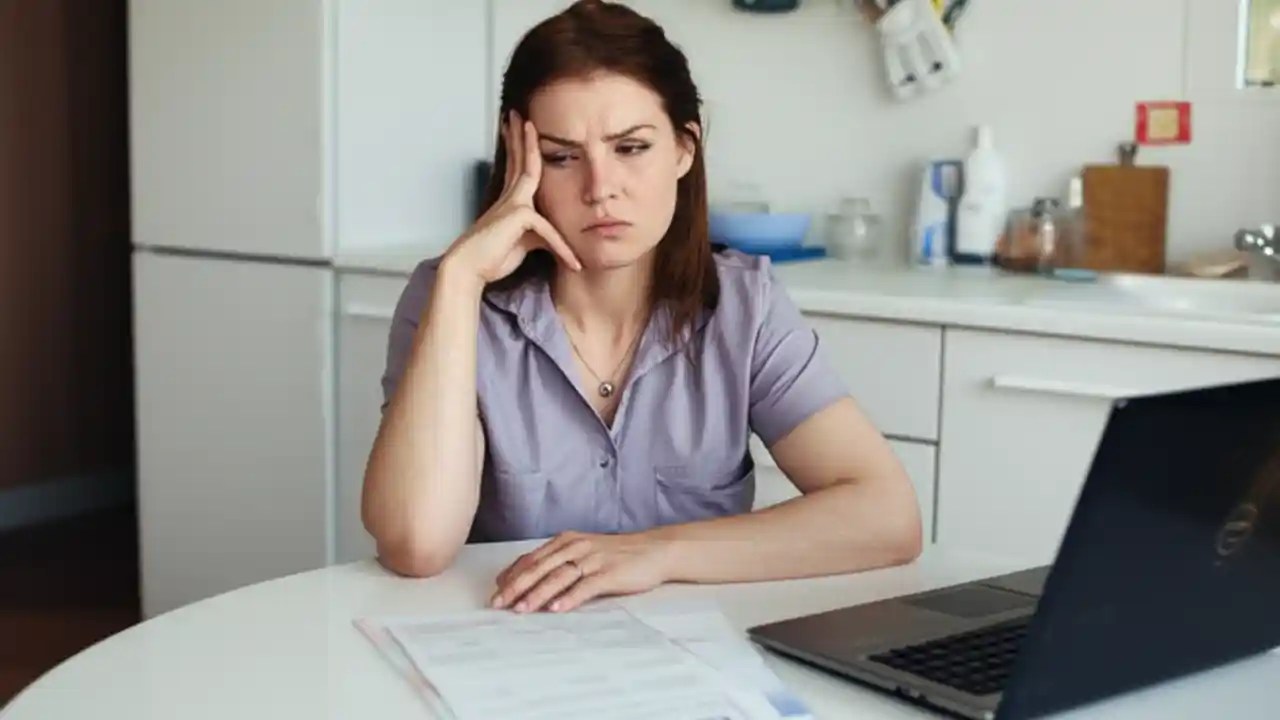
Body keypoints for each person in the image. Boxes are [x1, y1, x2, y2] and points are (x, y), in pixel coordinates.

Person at [361, 0, 922, 614]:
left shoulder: (745, 305)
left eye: (630, 148)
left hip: (698, 654)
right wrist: (461, 276)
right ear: (519, 161)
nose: (600, 188)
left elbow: (888, 516)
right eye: (562, 156)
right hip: (507, 650)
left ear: (684, 148)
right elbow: (415, 544)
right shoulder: (450, 297)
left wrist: (658, 552)